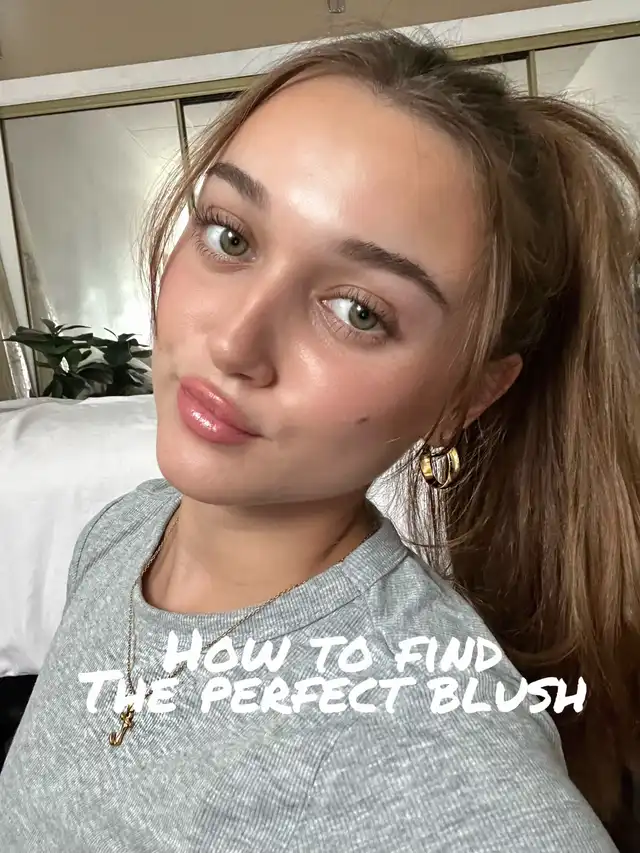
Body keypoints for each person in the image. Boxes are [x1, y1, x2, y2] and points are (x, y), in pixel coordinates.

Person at [0, 30, 638, 853]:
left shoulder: (441, 766)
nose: (235, 341)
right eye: (230, 236)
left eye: (358, 311)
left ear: (466, 396)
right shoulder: (125, 531)